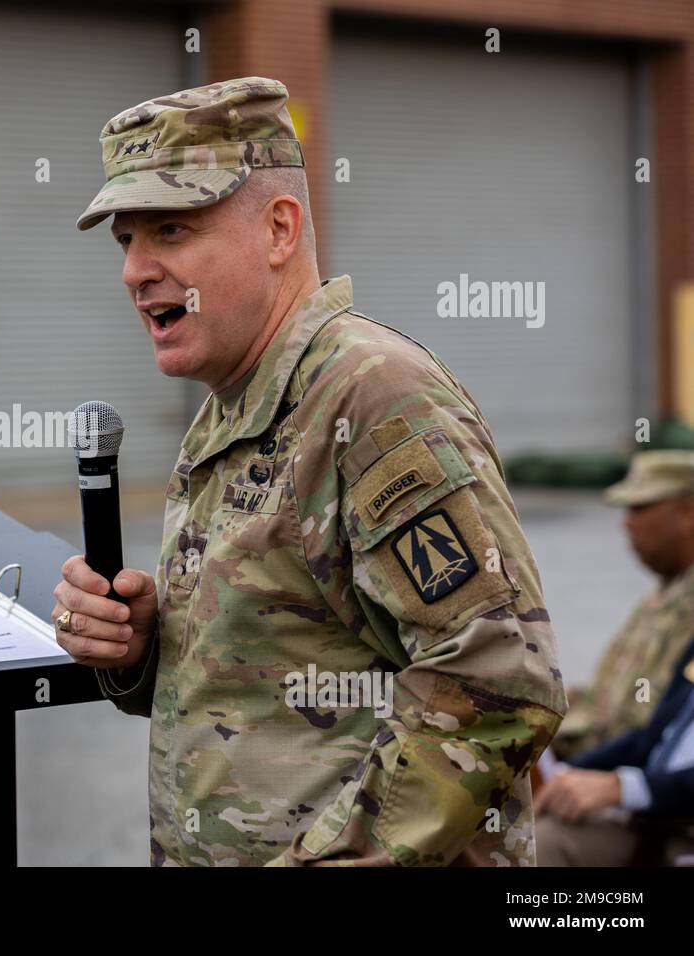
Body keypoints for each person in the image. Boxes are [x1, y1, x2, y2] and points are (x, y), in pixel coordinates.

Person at [50, 76, 565, 866]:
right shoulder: (234, 405)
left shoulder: (373, 396)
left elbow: (499, 677)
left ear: (279, 229)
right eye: (127, 240)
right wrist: (143, 647)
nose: (135, 269)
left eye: (172, 231)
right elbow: (277, 664)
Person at [551, 451, 694, 760]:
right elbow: (607, 705)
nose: (626, 524)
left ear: (688, 512)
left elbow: (656, 730)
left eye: (639, 508)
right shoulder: (664, 596)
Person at [535, 637, 694, 865]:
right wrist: (564, 773)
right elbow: (652, 737)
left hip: (681, 825)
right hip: (652, 816)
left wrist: (625, 787)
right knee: (541, 840)